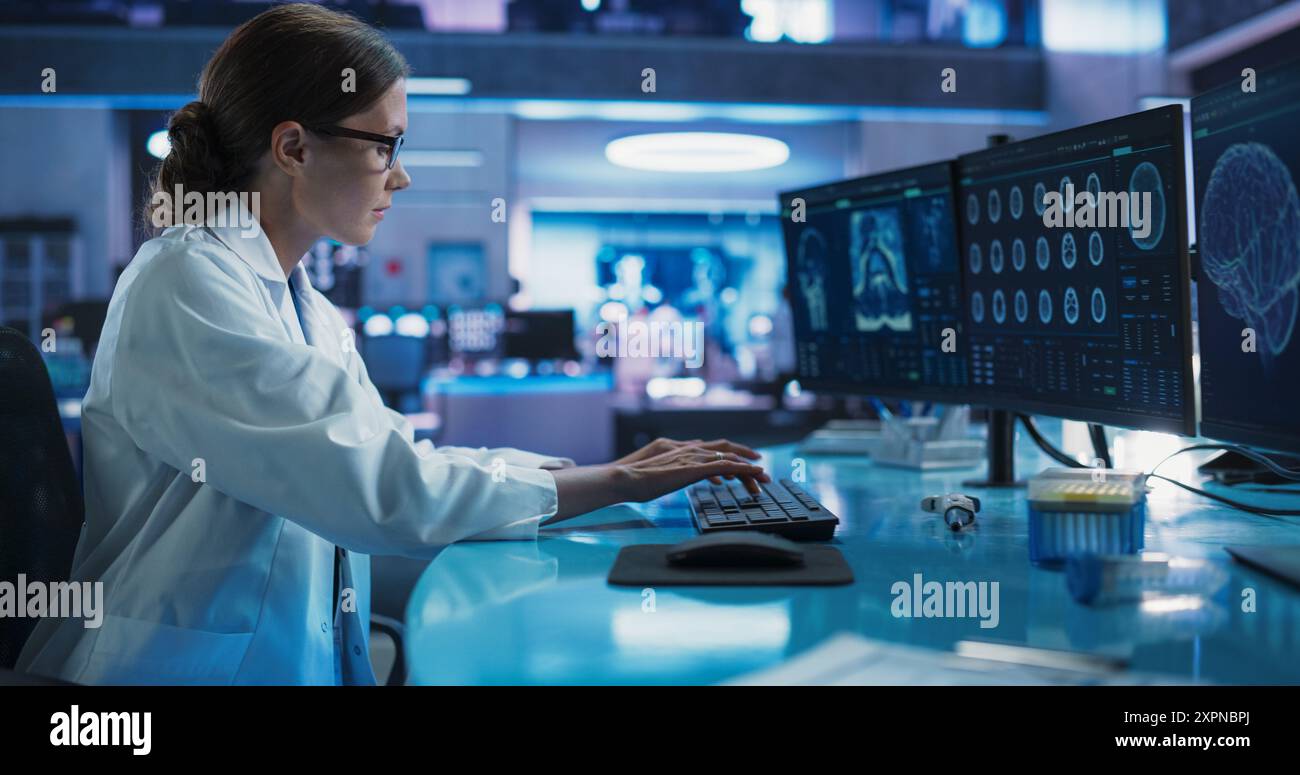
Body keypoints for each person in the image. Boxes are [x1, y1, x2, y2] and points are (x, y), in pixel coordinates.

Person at [17, 3, 767, 685]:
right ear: (292, 148)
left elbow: (399, 459)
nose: (399, 176)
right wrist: (609, 484)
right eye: (386, 145)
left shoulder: (301, 304)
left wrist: (587, 472)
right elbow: (382, 491)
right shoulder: (185, 281)